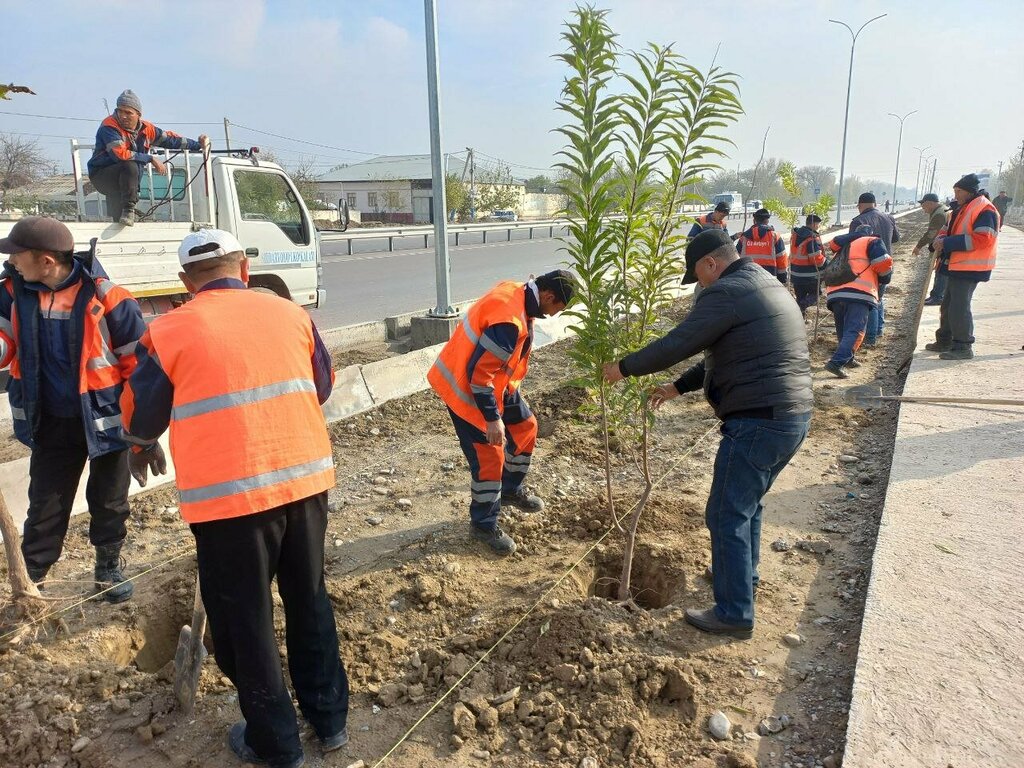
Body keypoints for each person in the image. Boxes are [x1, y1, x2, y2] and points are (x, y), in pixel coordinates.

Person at [119, 229, 348, 768]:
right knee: (309, 598)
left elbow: (142, 415)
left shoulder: (168, 331)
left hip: (230, 503)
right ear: (244, 269)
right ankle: (330, 722)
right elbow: (321, 385)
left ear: (185, 282)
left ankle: (277, 744)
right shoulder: (291, 315)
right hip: (304, 484)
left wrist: (139, 444)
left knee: (245, 621)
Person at [602, 229, 812, 639]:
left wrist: (623, 368)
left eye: (697, 275)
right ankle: (742, 577)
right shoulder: (763, 283)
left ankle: (734, 614)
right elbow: (725, 354)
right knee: (746, 505)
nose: (699, 285)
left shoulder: (727, 292)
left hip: (757, 422)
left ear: (711, 263)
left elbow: (679, 342)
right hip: (790, 417)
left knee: (725, 513)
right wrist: (677, 387)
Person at [0, 217, 145, 601]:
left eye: (16, 255)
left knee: (110, 500)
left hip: (107, 423)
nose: (10, 262)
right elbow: (4, 341)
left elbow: (139, 367)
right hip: (50, 422)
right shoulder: (12, 293)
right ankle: (32, 582)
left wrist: (142, 433)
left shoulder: (108, 297)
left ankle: (108, 569)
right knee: (45, 505)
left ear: (46, 261)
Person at [426, 270, 574, 555]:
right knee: (490, 458)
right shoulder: (509, 320)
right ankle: (483, 524)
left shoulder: (520, 294)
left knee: (526, 427)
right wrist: (493, 419)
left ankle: (509, 489)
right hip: (469, 391)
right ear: (548, 296)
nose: (555, 315)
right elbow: (479, 376)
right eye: (558, 308)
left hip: (497, 385)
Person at [87, 90, 209, 227]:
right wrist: (150, 158)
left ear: (138, 114)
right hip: (101, 175)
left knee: (119, 219)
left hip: (123, 179)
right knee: (129, 164)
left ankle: (124, 216)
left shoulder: (147, 129)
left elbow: (170, 140)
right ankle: (129, 210)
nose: (123, 116)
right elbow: (119, 154)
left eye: (128, 112)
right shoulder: (109, 126)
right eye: (120, 111)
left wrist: (198, 145)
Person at [924, 174, 999, 361]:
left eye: (959, 191)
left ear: (969, 191)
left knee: (959, 306)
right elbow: (947, 229)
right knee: (948, 304)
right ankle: (945, 340)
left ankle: (963, 346)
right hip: (956, 265)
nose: (955, 195)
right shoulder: (961, 208)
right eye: (955, 191)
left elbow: (983, 238)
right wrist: (939, 240)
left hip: (971, 267)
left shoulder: (985, 209)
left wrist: (948, 243)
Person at [822, 226, 893, 378]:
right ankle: (836, 363)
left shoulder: (845, 244)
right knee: (855, 330)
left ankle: (848, 358)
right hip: (859, 292)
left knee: (843, 329)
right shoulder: (872, 240)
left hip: (835, 293)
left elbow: (831, 246)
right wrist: (885, 278)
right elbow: (882, 262)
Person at [849, 192, 899, 346]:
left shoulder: (858, 221)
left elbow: (851, 245)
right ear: (875, 204)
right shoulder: (888, 218)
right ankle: (878, 329)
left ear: (860, 205)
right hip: (886, 264)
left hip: (868, 268)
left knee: (869, 300)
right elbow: (896, 238)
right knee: (879, 298)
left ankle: (870, 337)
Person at [914, 194, 951, 306]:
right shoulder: (940, 210)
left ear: (930, 203)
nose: (924, 210)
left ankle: (938, 296)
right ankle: (936, 295)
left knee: (941, 271)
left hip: (942, 246)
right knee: (940, 270)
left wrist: (918, 246)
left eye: (924, 206)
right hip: (942, 244)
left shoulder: (939, 214)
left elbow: (931, 234)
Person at [736, 208, 788, 283]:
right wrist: (782, 278)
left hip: (747, 280)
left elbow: (736, 258)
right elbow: (781, 258)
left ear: (754, 221)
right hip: (769, 280)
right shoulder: (774, 236)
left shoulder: (743, 237)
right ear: (767, 221)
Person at [789, 214, 826, 317]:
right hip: (810, 276)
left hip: (796, 274)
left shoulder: (795, 235)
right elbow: (816, 259)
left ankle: (799, 318)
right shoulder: (811, 238)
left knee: (800, 297)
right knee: (815, 295)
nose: (818, 226)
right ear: (814, 224)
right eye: (818, 224)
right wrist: (826, 263)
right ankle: (800, 306)